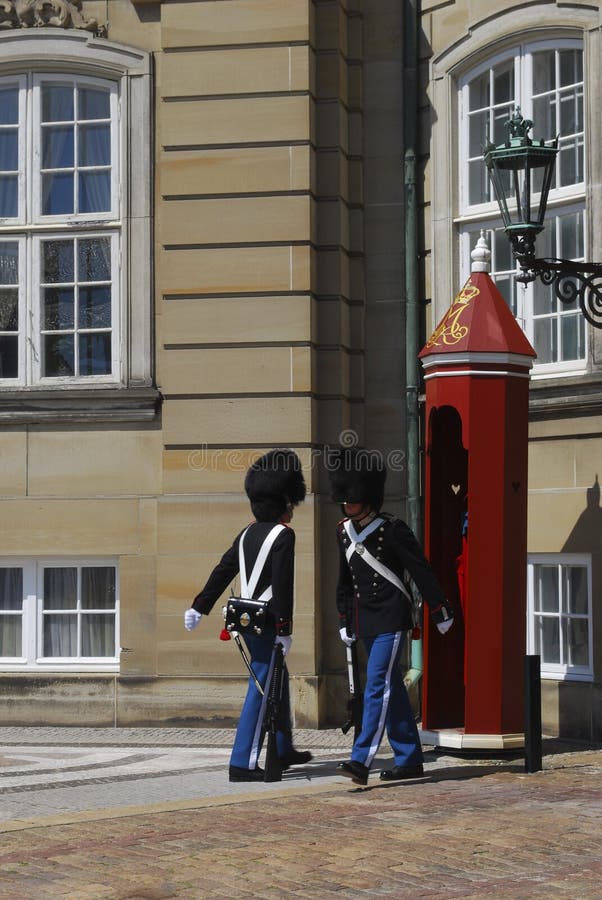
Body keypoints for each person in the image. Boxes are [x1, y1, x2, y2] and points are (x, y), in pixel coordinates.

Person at [183, 449, 312, 782]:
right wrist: (285, 627)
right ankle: (242, 761)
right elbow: (284, 585)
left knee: (275, 682)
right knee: (261, 687)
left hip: (246, 618)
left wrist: (200, 605)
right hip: (269, 621)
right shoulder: (284, 535)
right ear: (285, 503)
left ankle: (282, 747)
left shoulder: (246, 533)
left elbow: (223, 569)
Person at [329, 446, 454, 786]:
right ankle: (410, 758)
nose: (347, 504)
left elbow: (420, 569)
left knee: (376, 685)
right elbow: (343, 581)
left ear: (368, 498)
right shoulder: (343, 531)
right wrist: (344, 619)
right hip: (364, 620)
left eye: (352, 499)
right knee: (392, 689)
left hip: (391, 616)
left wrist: (438, 607)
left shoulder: (392, 529)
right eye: (345, 500)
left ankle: (360, 759)